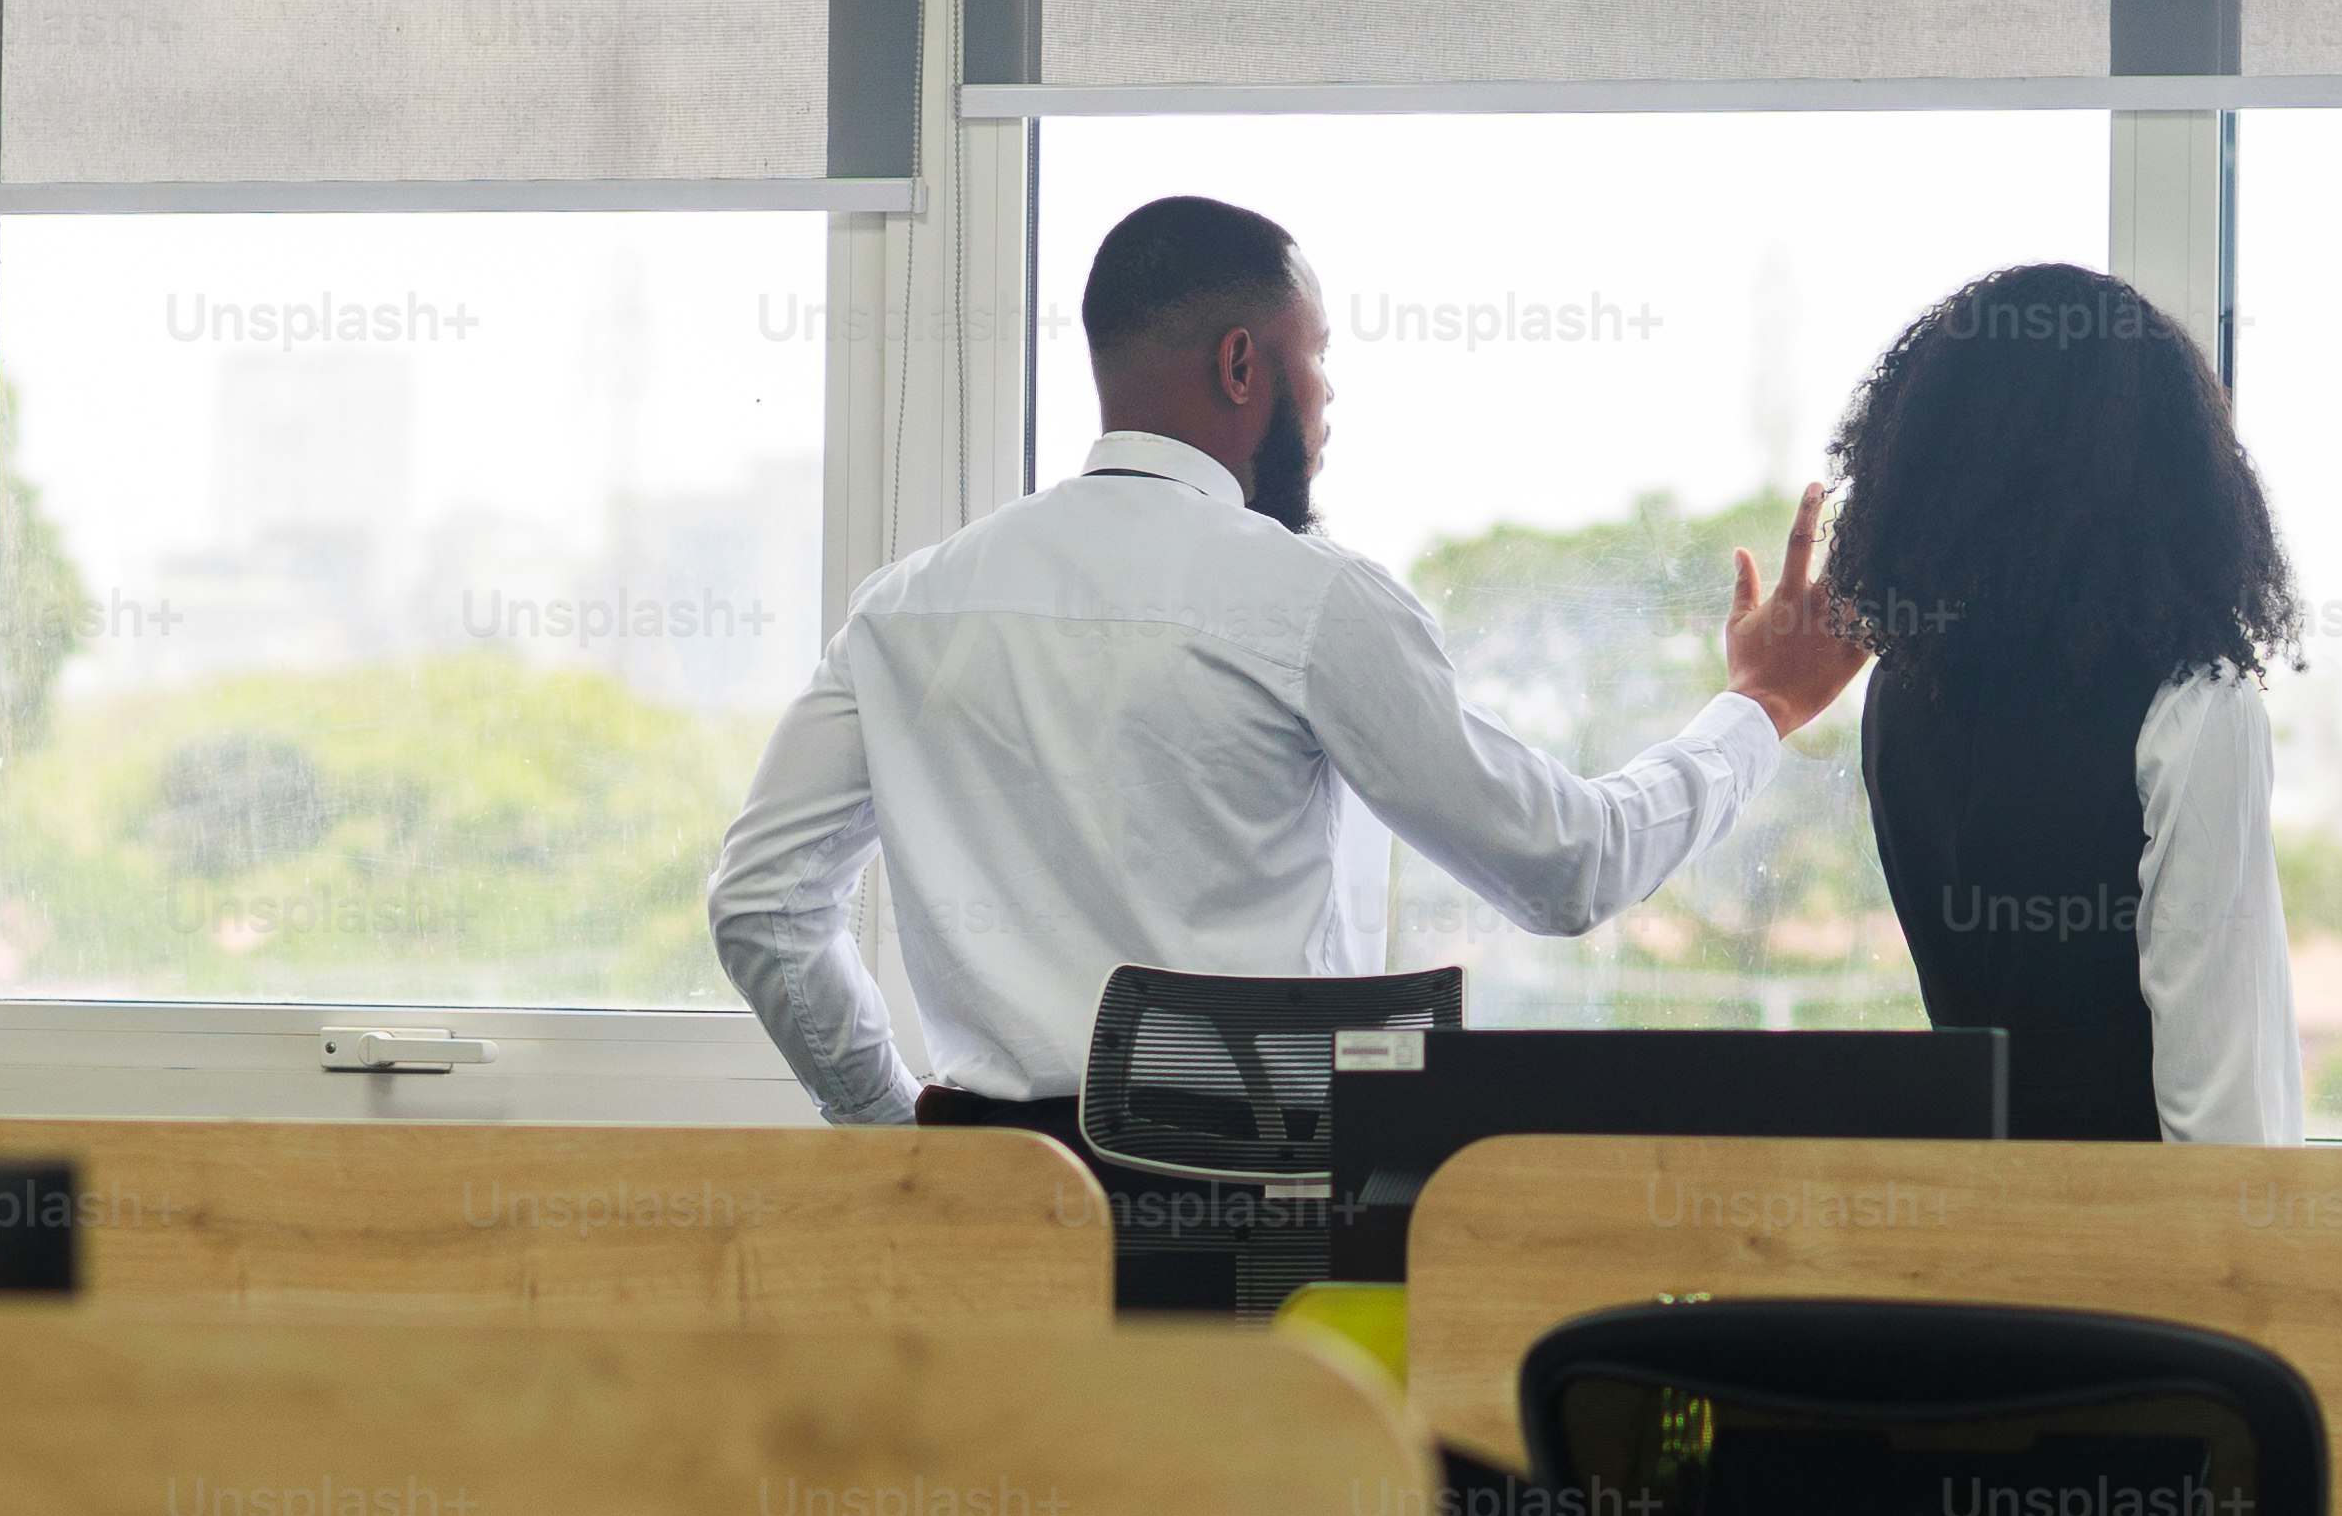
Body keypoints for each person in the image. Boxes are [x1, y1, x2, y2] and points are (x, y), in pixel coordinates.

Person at [708, 193, 1873, 1129]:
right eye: (1317, 363)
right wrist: (1761, 705)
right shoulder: (1309, 602)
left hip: (993, 1228)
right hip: (1254, 1227)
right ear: (1239, 365)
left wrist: (887, 1120)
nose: (1326, 409)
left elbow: (761, 906)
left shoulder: (905, 609)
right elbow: (1567, 865)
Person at [1821, 262, 2305, 1143]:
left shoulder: (1900, 690)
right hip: (2139, 1259)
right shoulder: (2193, 701)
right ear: (2172, 468)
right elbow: (2224, 1104)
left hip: (1991, 1234)